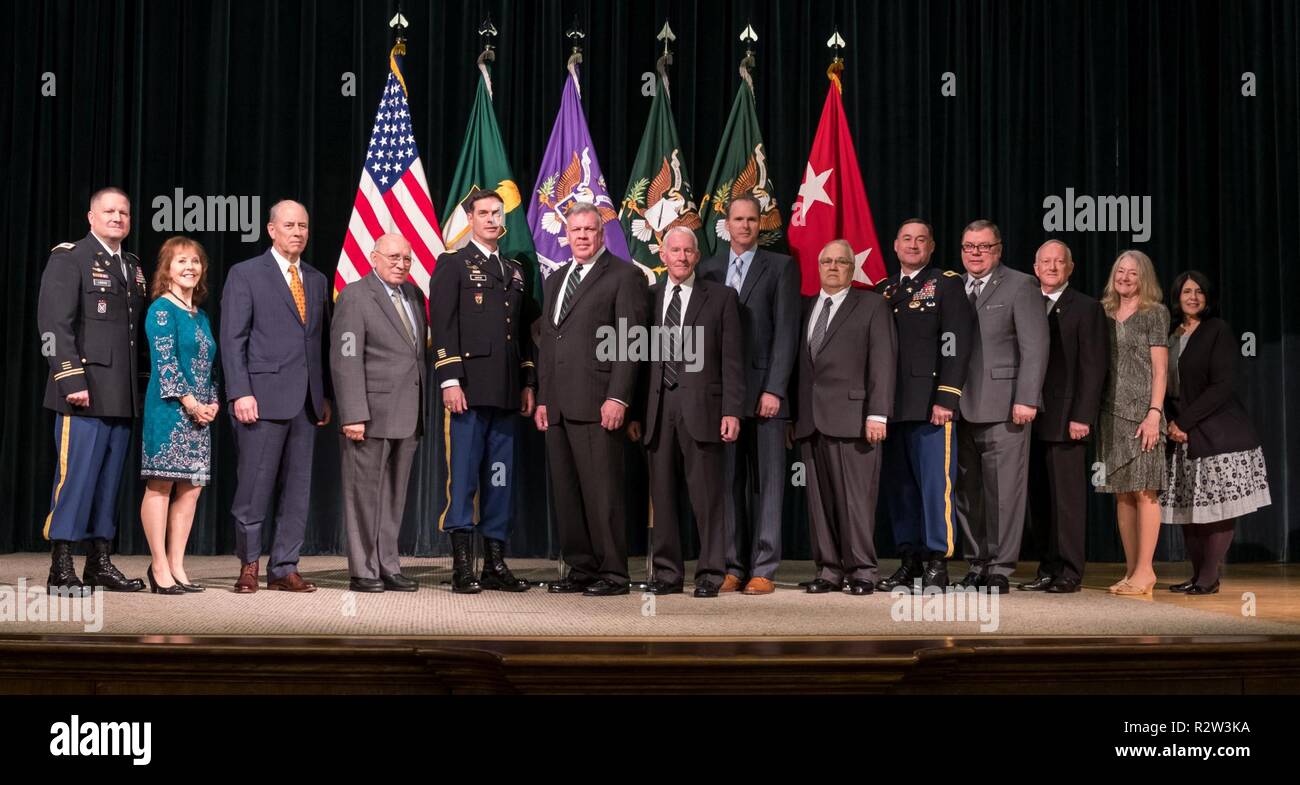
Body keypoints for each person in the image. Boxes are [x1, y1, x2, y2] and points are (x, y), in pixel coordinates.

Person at [533, 202, 650, 596]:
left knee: (604, 495)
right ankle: (581, 569)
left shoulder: (624, 276)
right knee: (567, 495)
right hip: (560, 406)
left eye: (589, 230)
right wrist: (545, 399)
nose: (582, 236)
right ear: (566, 235)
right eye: (575, 230)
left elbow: (630, 343)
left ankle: (614, 573)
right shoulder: (556, 279)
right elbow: (549, 342)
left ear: (602, 234)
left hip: (600, 403)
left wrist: (619, 396)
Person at [37, 187, 147, 594]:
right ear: (91, 216)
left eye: (124, 212)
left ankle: (99, 563)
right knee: (76, 478)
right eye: (109, 211)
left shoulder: (132, 265)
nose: (117, 217)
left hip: (120, 394)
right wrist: (70, 379)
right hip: (82, 391)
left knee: (107, 481)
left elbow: (134, 337)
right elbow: (53, 326)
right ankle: (60, 565)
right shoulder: (70, 258)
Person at [221, 200, 332, 593]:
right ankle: (249, 565)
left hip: (306, 402)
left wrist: (325, 396)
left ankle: (284, 567)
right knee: (254, 487)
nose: (298, 232)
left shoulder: (317, 281)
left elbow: (320, 345)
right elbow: (233, 340)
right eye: (289, 225)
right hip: (261, 399)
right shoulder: (246, 274)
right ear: (271, 230)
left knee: (297, 491)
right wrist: (240, 392)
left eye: (303, 225)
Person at [429, 189, 535, 593]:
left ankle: (494, 563)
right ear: (470, 219)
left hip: (507, 392)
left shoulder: (515, 270)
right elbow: (443, 324)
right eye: (484, 213)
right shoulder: (453, 264)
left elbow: (522, 334)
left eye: (497, 213)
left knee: (500, 478)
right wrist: (450, 379)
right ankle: (461, 566)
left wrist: (527, 381)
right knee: (466, 477)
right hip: (469, 391)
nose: (492, 219)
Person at [697, 195, 800, 595]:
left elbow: (787, 332)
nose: (745, 226)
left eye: (752, 220)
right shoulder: (707, 269)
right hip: (723, 396)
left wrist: (775, 388)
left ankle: (764, 567)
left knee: (769, 482)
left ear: (761, 224)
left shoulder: (781, 266)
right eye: (738, 219)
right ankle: (731, 565)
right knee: (727, 481)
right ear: (726, 224)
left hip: (765, 394)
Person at [641, 226, 744, 598]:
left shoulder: (720, 298)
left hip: (704, 409)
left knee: (708, 498)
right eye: (675, 251)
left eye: (688, 251)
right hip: (658, 409)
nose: (682, 257)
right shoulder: (648, 298)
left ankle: (711, 573)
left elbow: (733, 360)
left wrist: (732, 410)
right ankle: (667, 574)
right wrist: (638, 412)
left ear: (697, 256)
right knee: (663, 498)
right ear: (662, 255)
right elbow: (639, 360)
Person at [794, 240, 897, 595]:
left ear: (852, 268)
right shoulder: (807, 306)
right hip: (811, 420)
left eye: (841, 262)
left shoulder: (871, 305)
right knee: (819, 504)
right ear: (818, 266)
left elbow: (883, 363)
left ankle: (863, 571)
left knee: (856, 501)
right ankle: (829, 570)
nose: (833, 267)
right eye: (826, 261)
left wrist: (878, 414)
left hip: (855, 419)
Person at [878, 219, 975, 591]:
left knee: (937, 487)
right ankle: (910, 559)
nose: (913, 245)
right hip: (893, 407)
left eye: (921, 240)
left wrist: (947, 396)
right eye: (907, 239)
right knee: (901, 489)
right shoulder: (885, 290)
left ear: (931, 246)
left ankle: (938, 561)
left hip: (931, 405)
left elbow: (955, 340)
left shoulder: (946, 284)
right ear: (895, 246)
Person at [1160, 271, 1270, 595]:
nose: (1193, 297)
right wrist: (1171, 422)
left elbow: (1222, 386)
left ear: (1208, 298)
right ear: (1177, 296)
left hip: (1219, 432)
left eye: (1199, 292)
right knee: (1190, 510)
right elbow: (1163, 385)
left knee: (1218, 509)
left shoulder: (1217, 330)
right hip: (1181, 432)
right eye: (1186, 291)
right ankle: (1197, 576)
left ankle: (1209, 578)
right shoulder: (1171, 333)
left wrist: (1185, 422)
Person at [954, 219, 1049, 593]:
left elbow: (1035, 347)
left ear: (998, 250)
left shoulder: (1021, 284)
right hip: (959, 406)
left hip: (1005, 405)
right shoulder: (952, 286)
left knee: (1004, 492)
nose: (975, 253)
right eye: (969, 247)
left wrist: (1026, 398)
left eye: (983, 246)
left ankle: (1001, 567)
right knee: (968, 493)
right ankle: (976, 562)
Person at [331, 234, 427, 593]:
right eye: (393, 257)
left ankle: (388, 564)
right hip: (369, 415)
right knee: (363, 495)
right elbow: (345, 358)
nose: (401, 263)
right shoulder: (356, 296)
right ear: (374, 258)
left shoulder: (415, 297)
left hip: (408, 413)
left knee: (393, 496)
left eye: (407, 258)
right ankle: (363, 569)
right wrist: (353, 413)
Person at [1019, 240, 1109, 593]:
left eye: (1060, 262)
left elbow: (1094, 368)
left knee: (1067, 503)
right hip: (1028, 420)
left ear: (1070, 268)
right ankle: (1047, 567)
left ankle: (1070, 571)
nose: (1052, 267)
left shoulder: (1086, 308)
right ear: (1035, 266)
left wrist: (1082, 416)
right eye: (1046, 261)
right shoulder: (1024, 304)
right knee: (1039, 500)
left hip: (1066, 419)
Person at [139, 237, 218, 594]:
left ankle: (177, 566)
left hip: (200, 415)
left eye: (196, 262)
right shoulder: (160, 310)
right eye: (181, 261)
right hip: (170, 411)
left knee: (191, 491)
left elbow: (209, 368)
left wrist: (211, 402)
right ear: (167, 269)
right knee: (162, 485)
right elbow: (166, 364)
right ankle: (158, 567)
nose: (190, 267)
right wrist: (191, 403)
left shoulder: (200, 315)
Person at [1095, 250, 1168, 595]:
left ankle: (1146, 571)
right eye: (1120, 271)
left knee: (1144, 490)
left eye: (1133, 273)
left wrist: (1155, 413)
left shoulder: (1154, 313)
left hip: (1143, 414)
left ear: (1144, 278)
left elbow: (1161, 370)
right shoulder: (1104, 311)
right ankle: (1131, 571)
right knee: (1121, 494)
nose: (1125, 277)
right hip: (1110, 413)